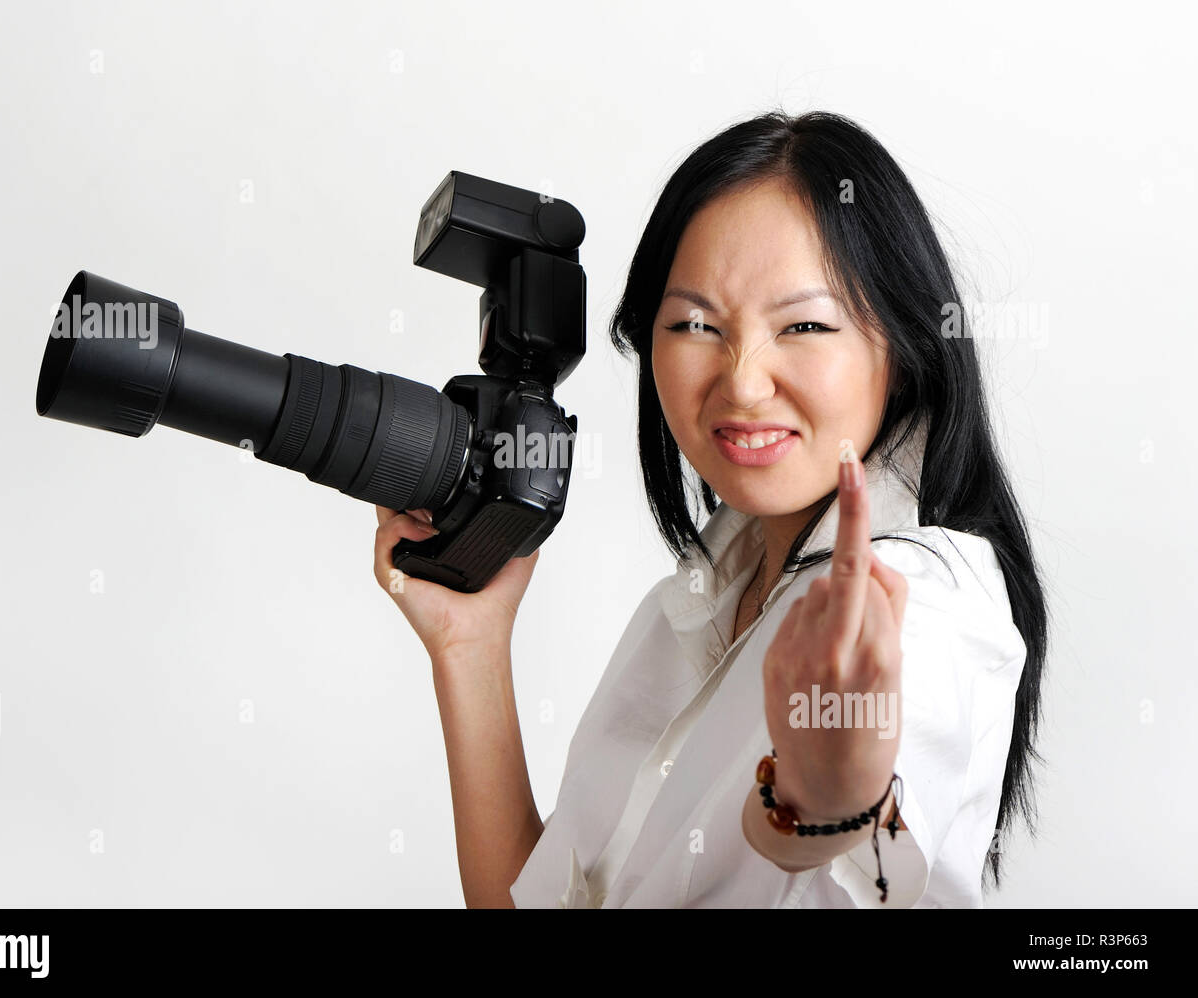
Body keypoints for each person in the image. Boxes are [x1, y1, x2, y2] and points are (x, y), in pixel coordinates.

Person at [372, 110, 1048, 908]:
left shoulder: (912, 600)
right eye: (695, 324)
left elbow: (873, 865)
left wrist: (828, 807)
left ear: (900, 352)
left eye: (803, 324)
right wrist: (471, 648)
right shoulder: (692, 608)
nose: (743, 381)